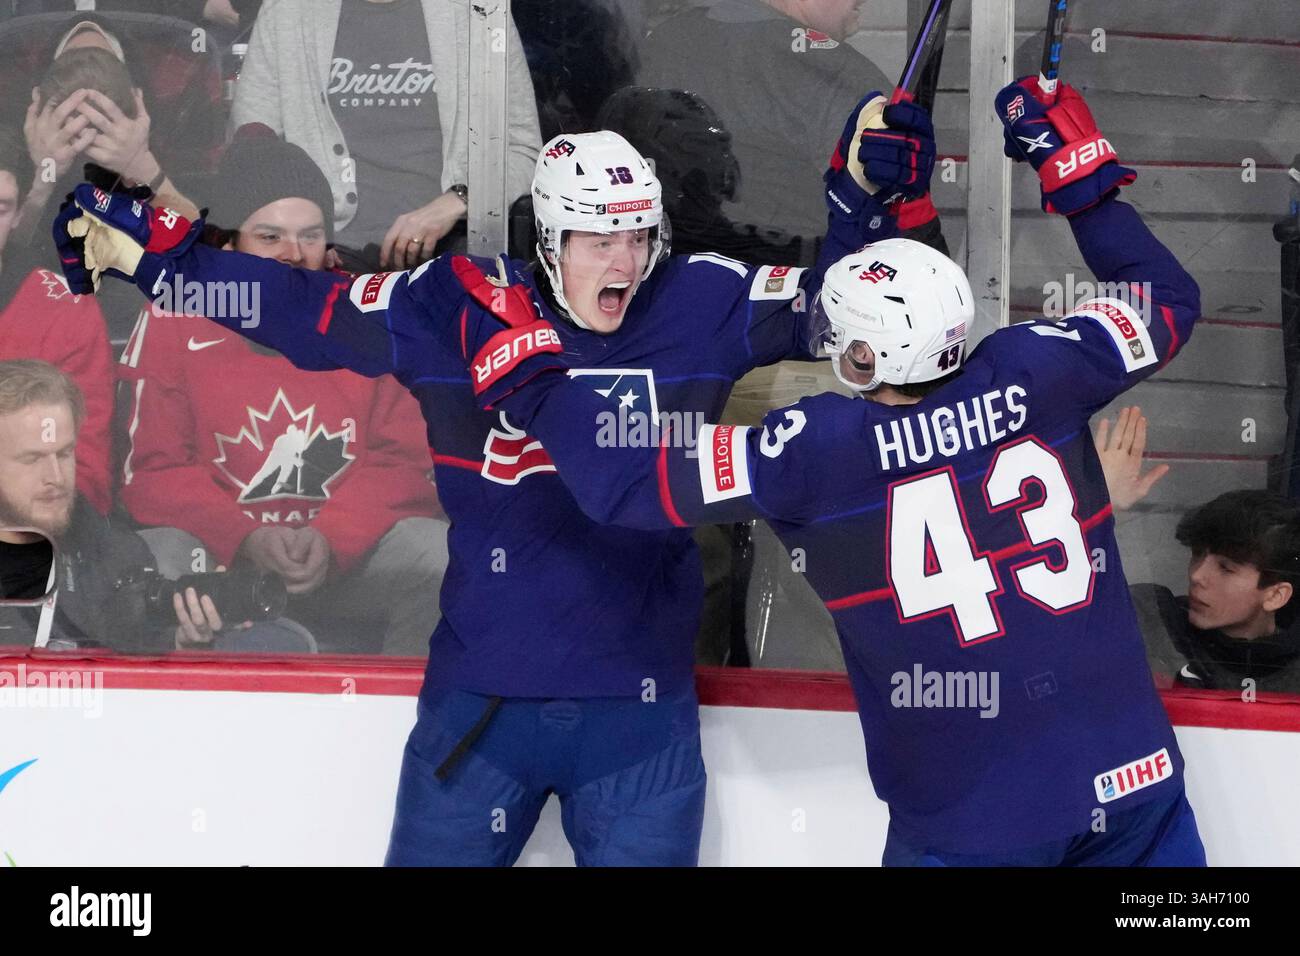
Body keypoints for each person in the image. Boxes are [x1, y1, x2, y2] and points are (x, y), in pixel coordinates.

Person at [54, 91, 939, 864]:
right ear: (549, 238)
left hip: (640, 714)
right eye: (597, 238)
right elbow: (301, 309)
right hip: (481, 710)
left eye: (637, 234)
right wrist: (162, 259)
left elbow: (851, 310)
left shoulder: (704, 299)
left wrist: (863, 196)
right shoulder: (455, 301)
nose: (623, 262)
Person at [443, 80, 1208, 866]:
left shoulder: (814, 451)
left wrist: (532, 383)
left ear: (862, 354)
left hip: (969, 825)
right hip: (1136, 784)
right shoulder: (1044, 368)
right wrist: (1077, 176)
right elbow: (1168, 299)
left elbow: (624, 484)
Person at [116, 129, 446, 655]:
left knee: (440, 555)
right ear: (228, 245)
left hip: (346, 558)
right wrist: (243, 537)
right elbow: (153, 472)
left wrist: (332, 537)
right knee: (158, 556)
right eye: (270, 237)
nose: (294, 254)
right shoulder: (170, 315)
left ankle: (407, 726)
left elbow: (405, 464)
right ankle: (180, 723)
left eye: (310, 236)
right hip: (225, 566)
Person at [0, 359, 310, 653]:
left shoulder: (111, 551)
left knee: (282, 641)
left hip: (98, 707)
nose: (55, 477)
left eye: (64, 454)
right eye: (32, 459)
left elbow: (132, 650)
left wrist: (182, 642)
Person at [228, 0, 542, 271]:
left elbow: (523, 150)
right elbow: (252, 149)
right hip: (327, 261)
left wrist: (458, 200)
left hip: (453, 256)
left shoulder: (476, 10)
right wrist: (307, 236)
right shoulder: (290, 10)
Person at [0, 126, 113, 515]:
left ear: (17, 215)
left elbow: (86, 475)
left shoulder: (67, 309)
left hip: (34, 538)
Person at [1134, 490, 1300, 695]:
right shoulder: (1150, 618)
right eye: (1197, 554)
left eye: (1226, 568)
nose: (1196, 575)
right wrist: (1108, 507)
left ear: (1275, 596)